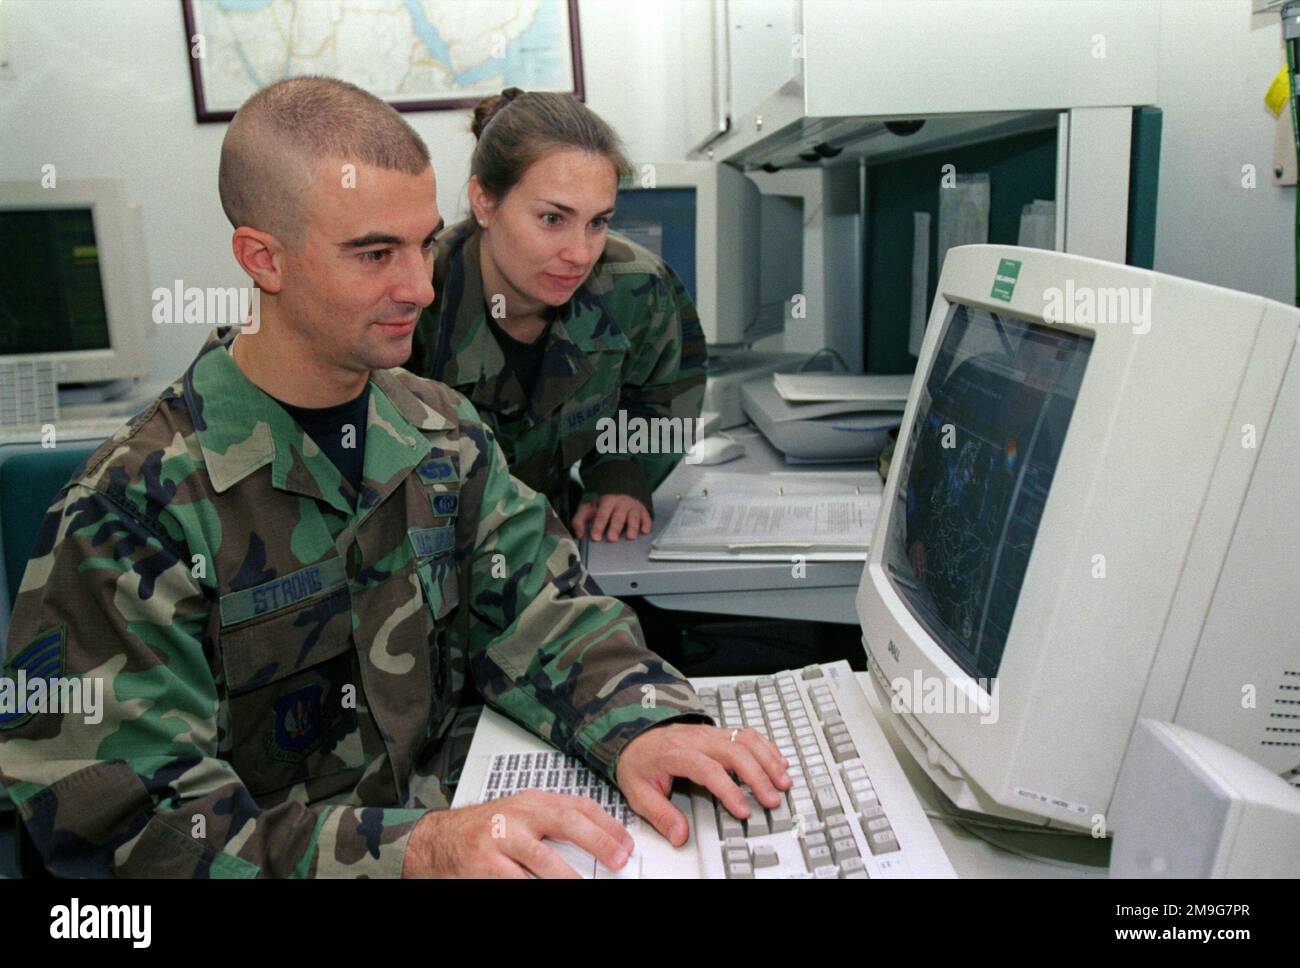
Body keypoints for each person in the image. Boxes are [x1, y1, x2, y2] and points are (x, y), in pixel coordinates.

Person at [0, 77, 789, 878]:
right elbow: (131, 822)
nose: (420, 285)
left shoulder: (442, 431)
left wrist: (642, 724)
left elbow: (544, 607)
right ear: (262, 259)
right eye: (376, 253)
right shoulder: (131, 511)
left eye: (422, 244)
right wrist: (416, 850)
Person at [410, 88, 706, 542]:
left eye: (598, 222)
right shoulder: (414, 297)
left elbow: (662, 394)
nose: (580, 253)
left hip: (558, 535)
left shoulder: (637, 289)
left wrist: (622, 476)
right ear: (484, 202)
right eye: (552, 219)